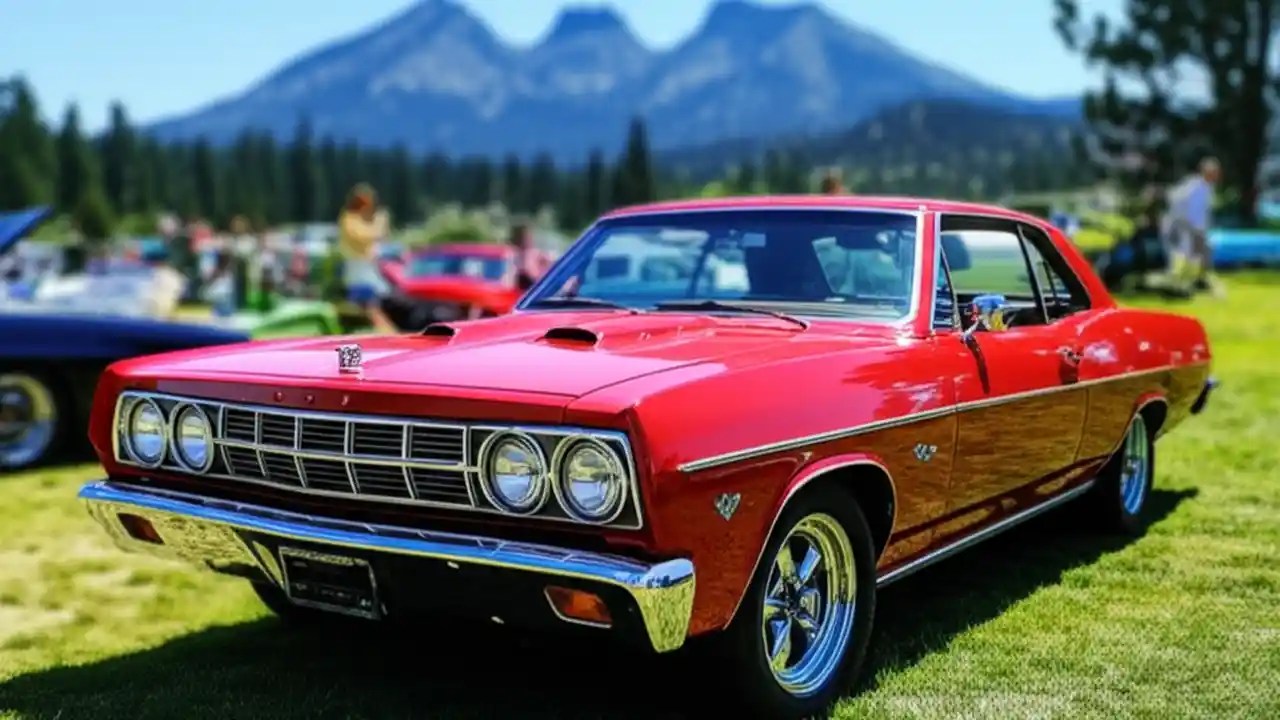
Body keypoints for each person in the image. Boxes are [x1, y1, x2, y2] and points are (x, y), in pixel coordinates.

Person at [338, 183, 396, 332]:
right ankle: (384, 331)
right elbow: (363, 236)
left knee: (376, 301)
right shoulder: (350, 218)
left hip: (368, 266)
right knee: (369, 302)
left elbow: (381, 239)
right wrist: (380, 224)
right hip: (357, 266)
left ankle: (384, 329)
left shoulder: (363, 219)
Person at [1162, 157, 1223, 296]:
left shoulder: (1207, 187)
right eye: (1214, 172)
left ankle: (1195, 279)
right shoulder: (1195, 187)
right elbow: (1187, 208)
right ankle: (1185, 280)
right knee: (1194, 254)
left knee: (1201, 254)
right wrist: (1192, 226)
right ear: (1206, 172)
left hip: (1195, 226)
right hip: (1189, 225)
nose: (1216, 176)